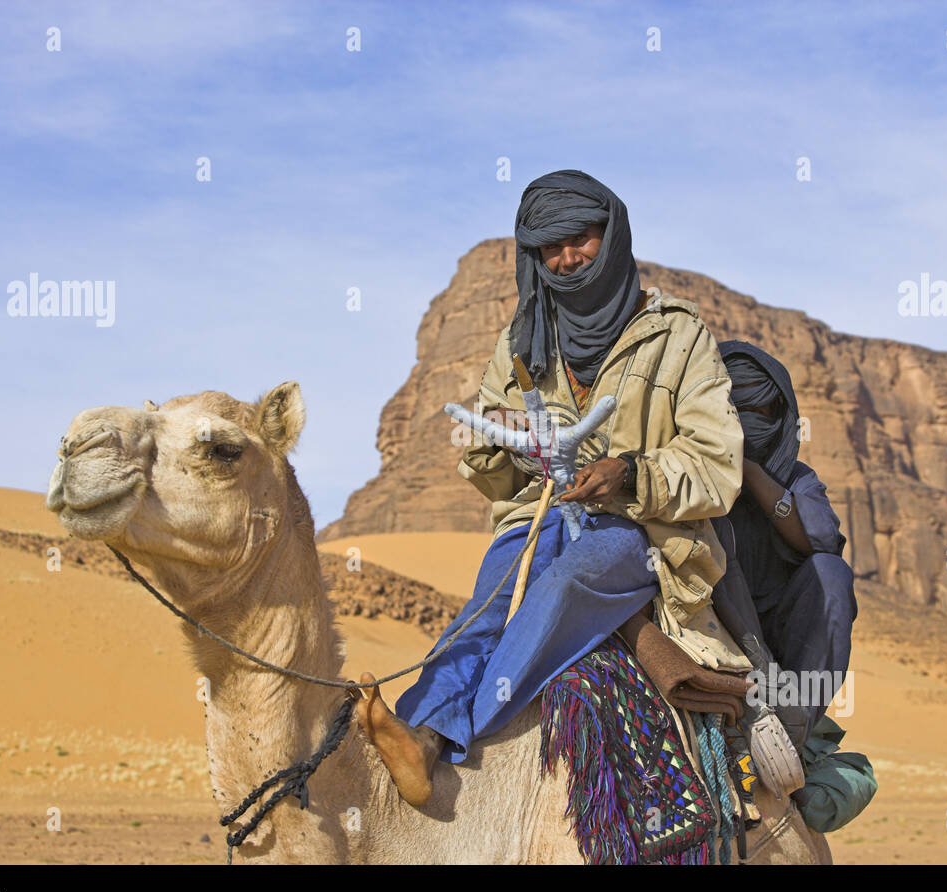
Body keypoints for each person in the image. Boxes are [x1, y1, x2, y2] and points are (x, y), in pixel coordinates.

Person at [354, 170, 747, 807]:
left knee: (563, 588)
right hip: (536, 519)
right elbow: (496, 472)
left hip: (641, 533)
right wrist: (499, 440)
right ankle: (420, 734)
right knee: (495, 591)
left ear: (610, 235)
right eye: (549, 249)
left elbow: (716, 464)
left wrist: (630, 472)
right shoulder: (523, 339)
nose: (566, 260)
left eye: (579, 240)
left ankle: (456, 730)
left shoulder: (678, 335)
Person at [709, 341, 857, 742]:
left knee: (831, 574)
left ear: (781, 415)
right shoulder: (693, 473)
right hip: (712, 632)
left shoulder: (797, 478)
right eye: (738, 412)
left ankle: (794, 726)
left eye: (762, 413)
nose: (749, 424)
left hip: (789, 640)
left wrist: (753, 473)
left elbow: (822, 540)